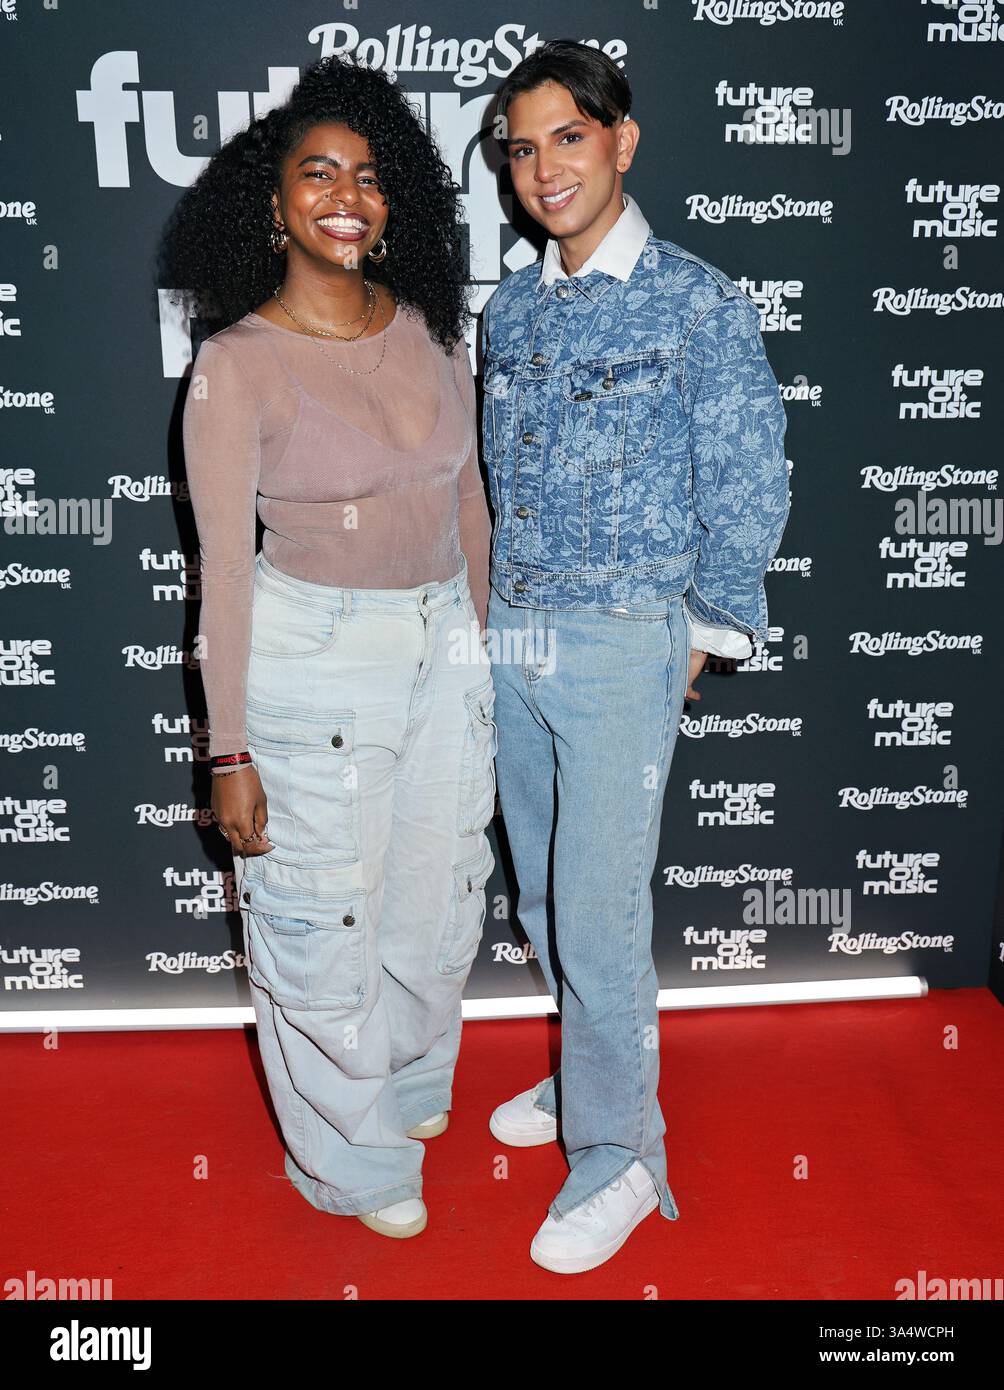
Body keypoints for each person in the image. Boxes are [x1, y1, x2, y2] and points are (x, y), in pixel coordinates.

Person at [167, 55, 495, 1239]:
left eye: (366, 175)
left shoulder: (430, 329)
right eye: (317, 173)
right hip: (313, 658)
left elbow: (470, 505)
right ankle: (350, 1161)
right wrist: (229, 751)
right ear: (272, 201)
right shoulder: (237, 363)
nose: (344, 196)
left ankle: (407, 1082)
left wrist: (484, 656)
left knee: (434, 898)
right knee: (323, 923)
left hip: (444, 643)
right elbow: (222, 573)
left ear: (393, 196)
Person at [481, 40, 791, 1273]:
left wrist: (697, 638)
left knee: (601, 917)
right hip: (512, 635)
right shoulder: (508, 309)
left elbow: (746, 475)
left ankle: (620, 1154)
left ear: (621, 139)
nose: (543, 167)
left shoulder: (695, 302)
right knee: (546, 899)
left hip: (620, 642)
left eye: (567, 136)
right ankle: (585, 1077)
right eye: (522, 147)